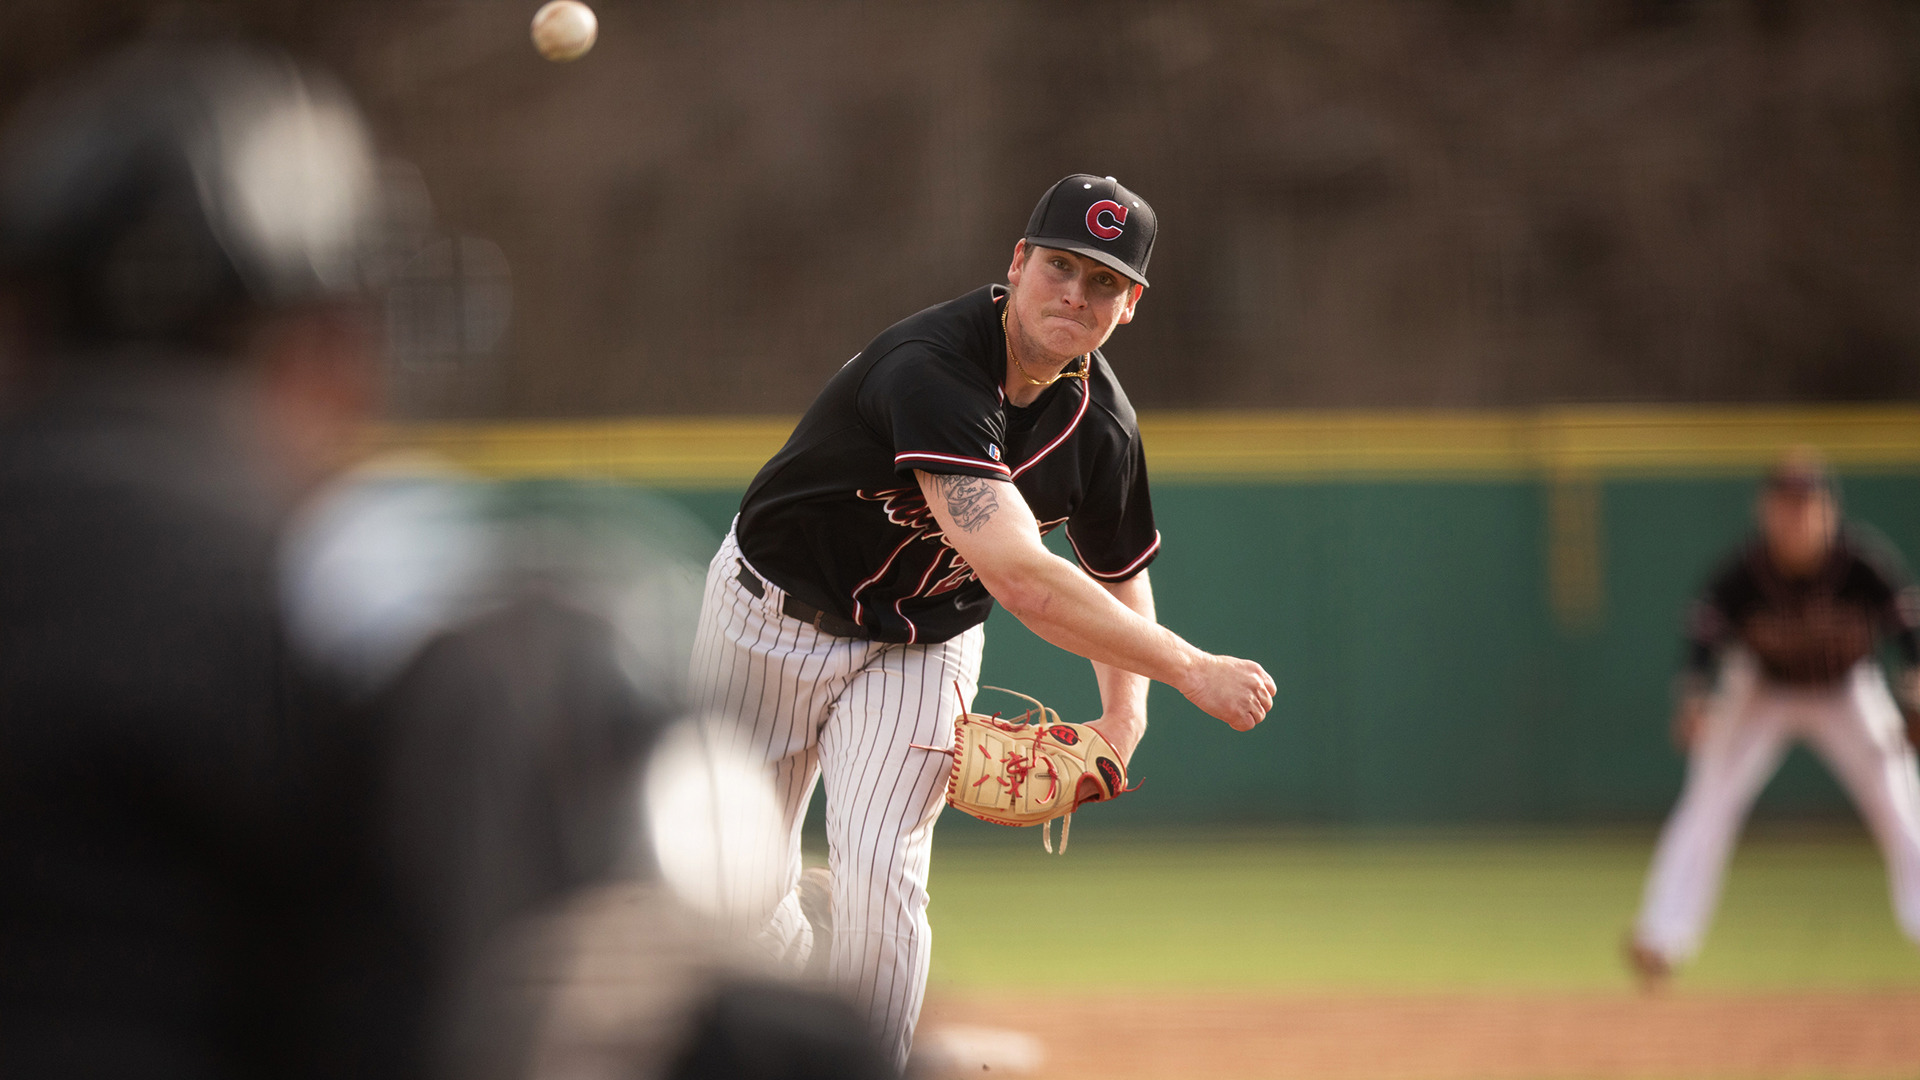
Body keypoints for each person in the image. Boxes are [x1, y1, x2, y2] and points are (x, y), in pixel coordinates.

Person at [687, 174, 1276, 1066]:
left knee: (884, 874)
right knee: (728, 892)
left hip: (921, 645)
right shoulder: (930, 366)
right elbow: (1024, 580)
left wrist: (1126, 718)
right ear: (1017, 264)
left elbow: (1117, 570)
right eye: (1061, 266)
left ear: (1132, 307)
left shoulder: (1103, 427)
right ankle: (796, 922)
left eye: (1106, 281)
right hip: (770, 618)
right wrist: (1189, 669)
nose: (1076, 293)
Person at [1626, 450, 1920, 989]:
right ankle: (1661, 936)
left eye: (1808, 505)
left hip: (1846, 690)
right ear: (1765, 512)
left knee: (1897, 797)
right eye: (1786, 505)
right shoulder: (1743, 573)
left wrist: (1917, 699)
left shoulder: (1862, 566)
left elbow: (1908, 631)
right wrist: (1693, 697)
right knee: (1709, 799)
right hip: (1763, 691)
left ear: (1830, 511)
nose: (1797, 517)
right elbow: (1703, 637)